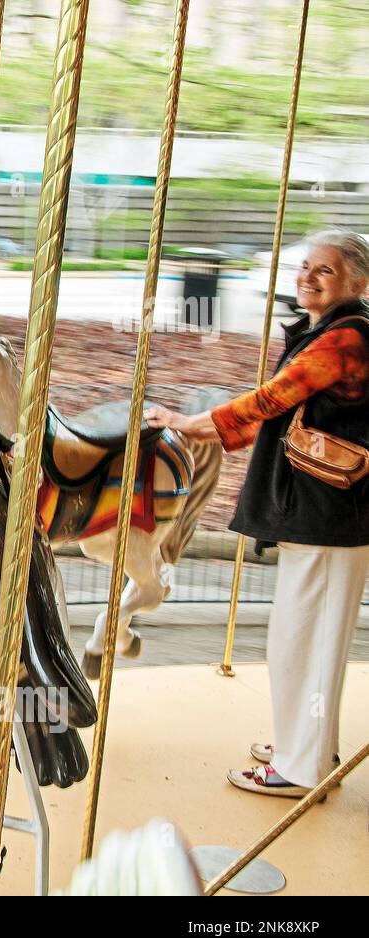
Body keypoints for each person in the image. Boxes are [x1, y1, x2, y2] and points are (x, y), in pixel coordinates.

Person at [146, 229, 369, 797]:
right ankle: (309, 746)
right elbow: (273, 407)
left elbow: (271, 399)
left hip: (329, 515)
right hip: (320, 512)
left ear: (357, 283)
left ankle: (302, 768)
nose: (308, 277)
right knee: (302, 637)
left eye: (325, 270)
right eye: (305, 267)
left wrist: (185, 422)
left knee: (307, 639)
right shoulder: (329, 332)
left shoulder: (347, 338)